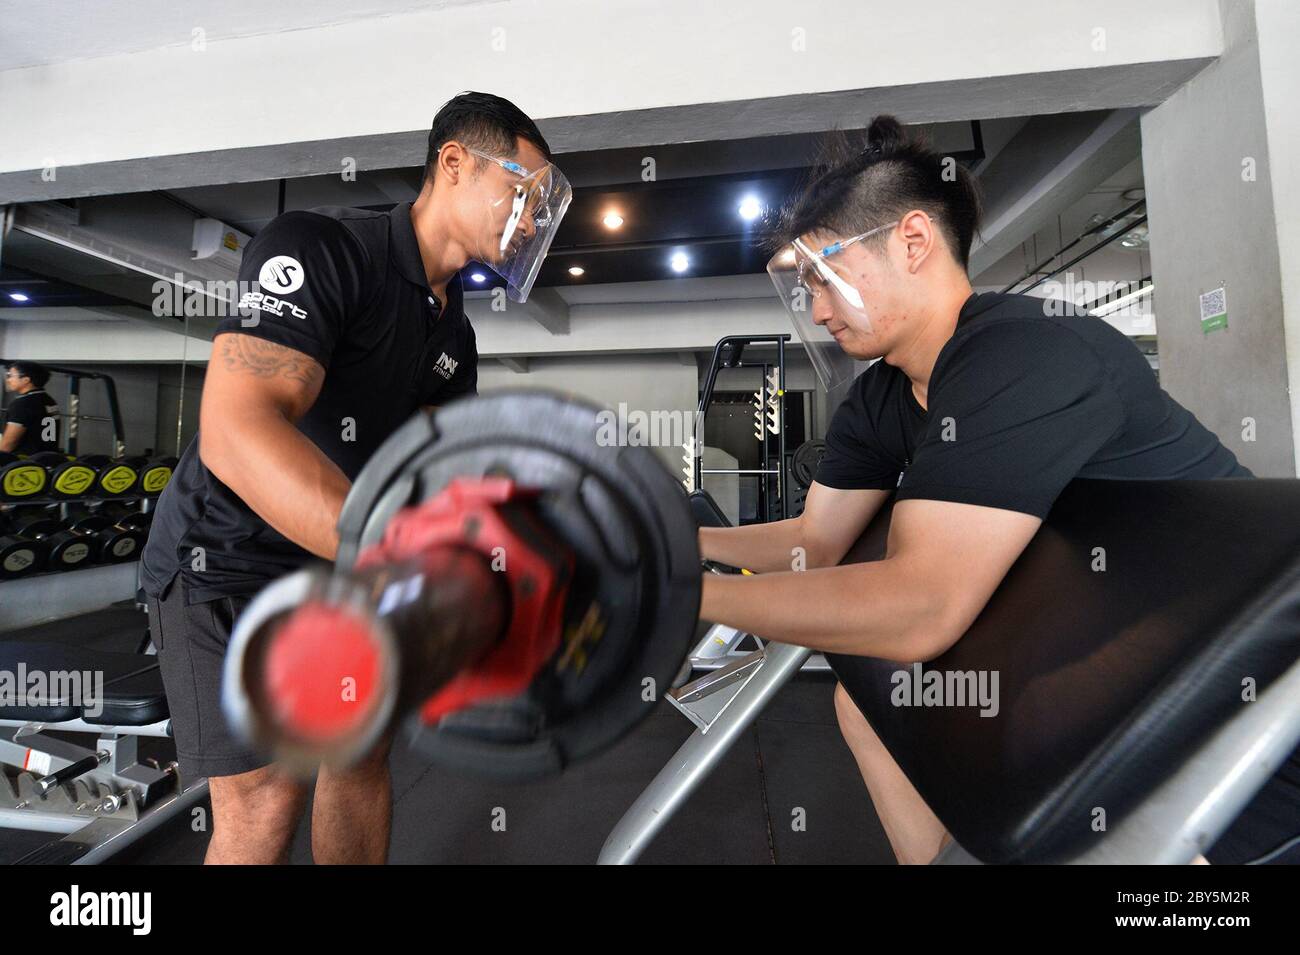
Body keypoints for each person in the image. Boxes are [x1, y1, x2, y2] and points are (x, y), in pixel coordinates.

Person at [699, 115, 1295, 864]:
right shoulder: (880, 397)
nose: (816, 307)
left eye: (826, 276)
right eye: (806, 285)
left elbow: (922, 605)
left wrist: (687, 594)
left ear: (913, 242)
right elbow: (812, 541)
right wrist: (674, 542)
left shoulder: (1026, 352)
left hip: (1245, 704)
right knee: (869, 701)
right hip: (1097, 653)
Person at [139, 91, 572, 864]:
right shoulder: (321, 248)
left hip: (333, 564)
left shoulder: (453, 331)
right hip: (222, 556)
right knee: (269, 796)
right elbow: (237, 431)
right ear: (453, 164)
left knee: (359, 752)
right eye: (524, 192)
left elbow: (436, 480)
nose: (534, 219)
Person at [1, 361, 60, 454]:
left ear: (26, 380)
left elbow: (8, 444)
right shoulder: (48, 400)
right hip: (48, 458)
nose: (8, 380)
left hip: (25, 461)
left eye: (11, 375)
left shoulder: (22, 403)